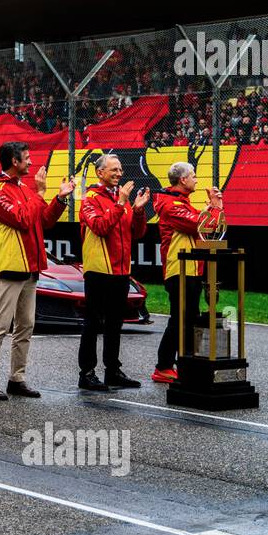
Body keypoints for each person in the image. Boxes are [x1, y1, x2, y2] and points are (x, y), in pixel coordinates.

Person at [0, 141, 74, 400]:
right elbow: (21, 218)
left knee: (26, 326)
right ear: (14, 160)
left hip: (30, 266)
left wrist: (59, 198)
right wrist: (41, 193)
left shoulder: (23, 189)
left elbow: (44, 220)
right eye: (27, 158)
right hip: (10, 265)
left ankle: (16, 378)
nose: (31, 162)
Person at [77, 153, 149, 391]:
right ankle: (86, 373)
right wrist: (121, 204)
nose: (119, 173)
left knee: (115, 323)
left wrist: (137, 211)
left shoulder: (123, 199)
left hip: (121, 270)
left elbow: (136, 234)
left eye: (120, 170)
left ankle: (112, 371)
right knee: (93, 322)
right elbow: (99, 226)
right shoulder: (90, 198)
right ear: (100, 173)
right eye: (113, 170)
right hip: (98, 270)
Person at [152, 162, 223, 383]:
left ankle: (185, 364)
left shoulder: (183, 203)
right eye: (193, 176)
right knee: (179, 319)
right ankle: (163, 367)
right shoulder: (170, 204)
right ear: (182, 180)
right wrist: (214, 207)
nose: (196, 179)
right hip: (178, 268)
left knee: (189, 318)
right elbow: (201, 226)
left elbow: (214, 230)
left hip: (192, 267)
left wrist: (217, 206)